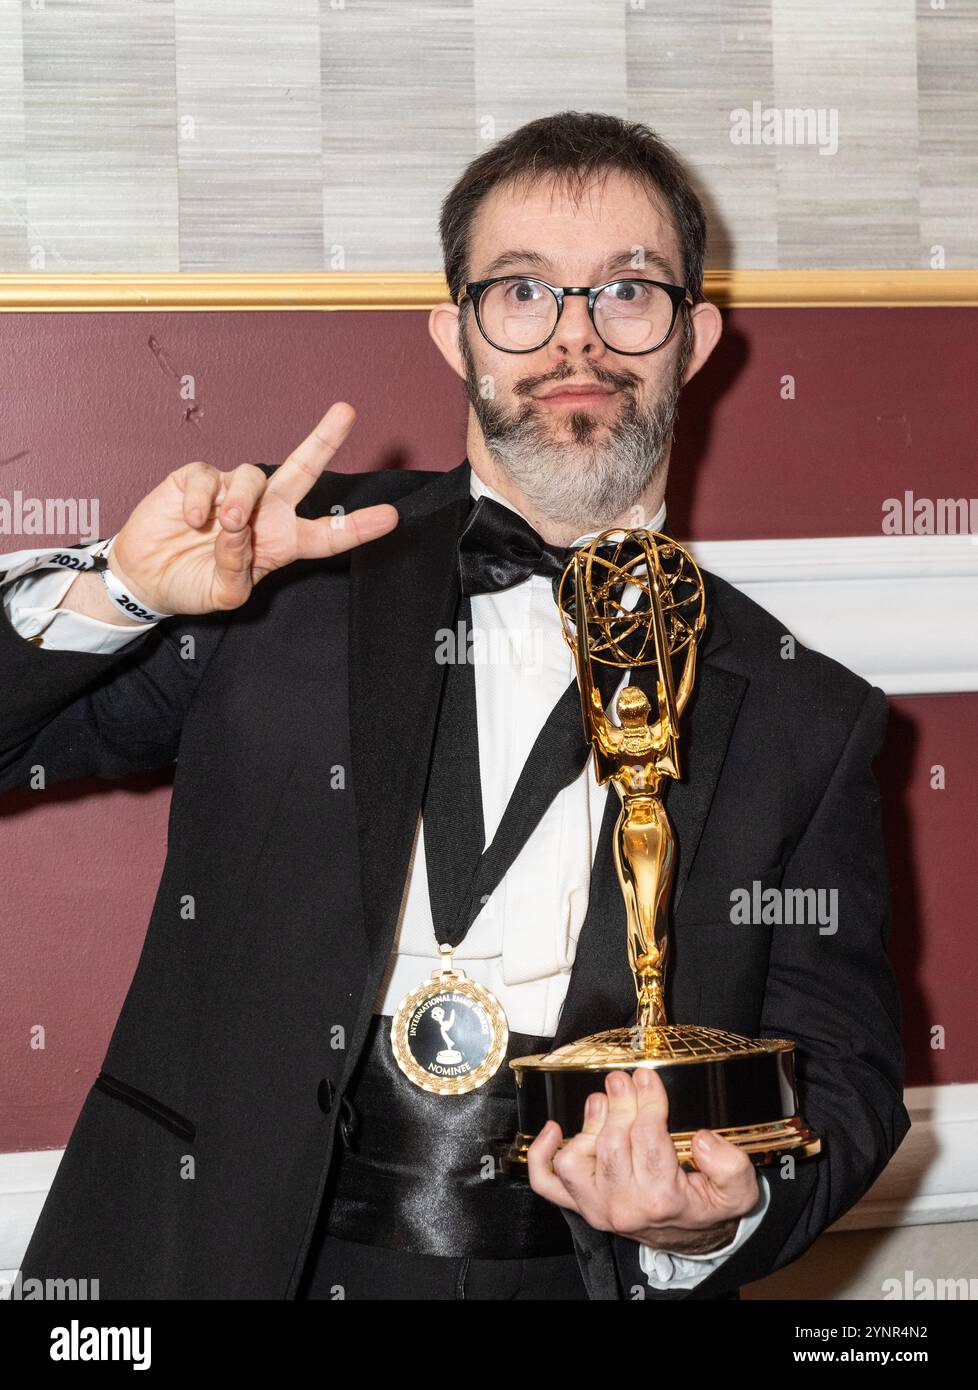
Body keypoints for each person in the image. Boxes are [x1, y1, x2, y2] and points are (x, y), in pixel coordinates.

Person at [1, 111, 909, 1301]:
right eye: (522, 290)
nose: (575, 336)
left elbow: (848, 1073)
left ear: (694, 339)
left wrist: (708, 1225)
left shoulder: (811, 712)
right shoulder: (276, 566)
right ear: (455, 333)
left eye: (627, 294)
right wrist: (121, 586)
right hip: (202, 1258)